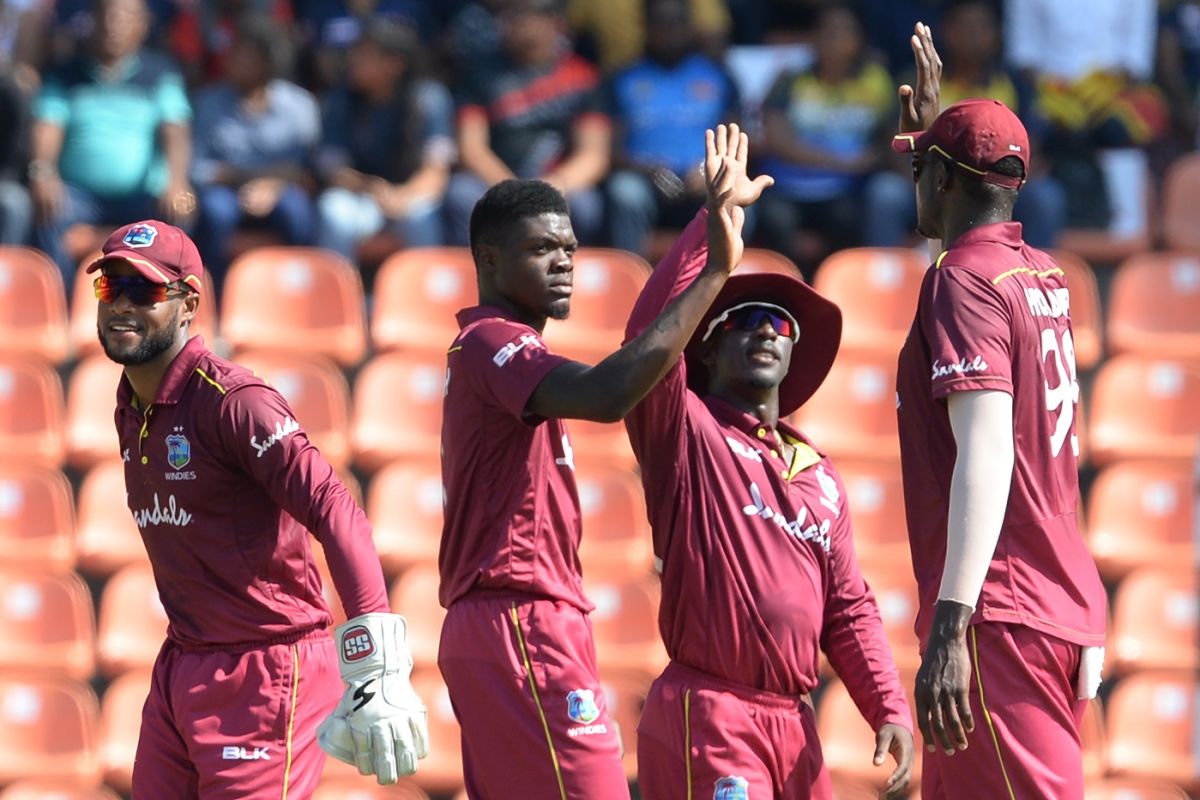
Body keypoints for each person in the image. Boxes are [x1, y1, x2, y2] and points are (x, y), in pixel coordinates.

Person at [437, 124, 764, 799]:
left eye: (569, 249)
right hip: (523, 621)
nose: (563, 263)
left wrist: (705, 224)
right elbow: (610, 392)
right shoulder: (493, 344)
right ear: (489, 259)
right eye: (541, 249)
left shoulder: (495, 351)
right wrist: (715, 272)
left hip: (502, 624)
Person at [622, 128, 915, 799]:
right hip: (710, 712)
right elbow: (644, 340)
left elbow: (848, 609)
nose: (765, 331)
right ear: (707, 351)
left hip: (795, 727)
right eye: (746, 319)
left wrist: (888, 707)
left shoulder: (820, 473)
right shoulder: (686, 431)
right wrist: (710, 229)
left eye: (781, 325)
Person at [92, 219, 429, 796]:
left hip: (270, 669)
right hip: (182, 663)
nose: (121, 304)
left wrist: (377, 660)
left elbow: (334, 506)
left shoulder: (236, 401)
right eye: (109, 287)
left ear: (188, 302)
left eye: (143, 290)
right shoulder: (130, 404)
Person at [891, 24, 1107, 800]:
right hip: (1051, 596)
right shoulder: (1037, 273)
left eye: (922, 168)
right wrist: (938, 131)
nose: (912, 179)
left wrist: (952, 628)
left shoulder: (962, 282)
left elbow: (987, 453)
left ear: (945, 182)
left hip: (1000, 612)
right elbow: (962, 263)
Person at [31, 0, 195, 281]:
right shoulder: (64, 74)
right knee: (47, 209)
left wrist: (176, 180)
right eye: (105, 18)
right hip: (79, 196)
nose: (112, 27)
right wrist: (43, 172)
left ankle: (165, 298)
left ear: (142, 26)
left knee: (182, 207)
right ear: (91, 22)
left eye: (122, 19)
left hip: (142, 196)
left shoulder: (160, 74)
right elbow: (48, 125)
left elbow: (175, 130)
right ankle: (62, 302)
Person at [444, 0, 610, 246]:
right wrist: (513, 190)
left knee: (585, 204)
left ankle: (568, 280)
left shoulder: (582, 75)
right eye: (509, 15)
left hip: (557, 181)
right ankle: (475, 280)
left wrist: (551, 187)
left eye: (523, 16)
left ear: (554, 23)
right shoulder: (479, 73)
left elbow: (594, 155)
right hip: (495, 179)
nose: (511, 23)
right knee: (460, 194)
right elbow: (471, 148)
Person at [756, 4, 899, 275]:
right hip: (788, 188)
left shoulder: (876, 81)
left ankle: (839, 298)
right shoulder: (790, 79)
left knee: (848, 218)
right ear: (813, 37)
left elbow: (889, 138)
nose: (835, 39)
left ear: (860, 39)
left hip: (845, 192)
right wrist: (842, 162)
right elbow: (777, 139)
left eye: (845, 31)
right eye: (828, 31)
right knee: (774, 219)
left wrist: (872, 158)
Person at [190, 14, 319, 283]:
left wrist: (273, 184)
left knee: (298, 212)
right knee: (214, 212)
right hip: (226, 193)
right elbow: (199, 169)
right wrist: (249, 179)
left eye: (245, 55)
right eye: (233, 52)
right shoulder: (209, 102)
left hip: (280, 191)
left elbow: (307, 168)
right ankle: (213, 294)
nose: (233, 61)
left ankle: (299, 290)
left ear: (268, 62)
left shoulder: (298, 105)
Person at [605, 0, 740, 256]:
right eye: (660, 23)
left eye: (676, 22)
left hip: (704, 182)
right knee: (624, 192)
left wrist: (708, 170)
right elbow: (611, 151)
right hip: (644, 181)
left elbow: (737, 141)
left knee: (735, 193)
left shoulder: (718, 76)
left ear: (689, 26)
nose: (669, 30)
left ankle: (726, 281)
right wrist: (648, 170)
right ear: (645, 26)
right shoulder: (622, 78)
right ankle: (634, 282)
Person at [315, 19, 454, 256]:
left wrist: (402, 198)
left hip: (412, 195)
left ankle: (420, 293)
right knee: (333, 210)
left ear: (394, 64)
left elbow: (436, 171)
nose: (353, 59)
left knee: (422, 217)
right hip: (362, 196)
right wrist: (371, 188)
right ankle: (338, 291)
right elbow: (332, 170)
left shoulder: (429, 98)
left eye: (364, 53)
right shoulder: (342, 100)